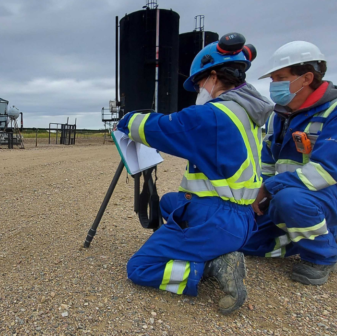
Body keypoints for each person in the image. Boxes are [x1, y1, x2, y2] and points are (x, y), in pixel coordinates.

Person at [116, 34, 274, 314]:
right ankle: (209, 247)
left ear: (213, 76)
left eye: (200, 83)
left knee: (140, 268)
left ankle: (210, 264)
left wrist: (128, 120)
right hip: (241, 215)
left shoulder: (213, 116)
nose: (200, 89)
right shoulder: (247, 113)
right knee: (168, 202)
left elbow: (158, 128)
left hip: (218, 218)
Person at [240, 41, 337, 285]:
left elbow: (325, 171)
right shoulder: (279, 116)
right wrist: (259, 192)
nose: (273, 85)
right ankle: (303, 235)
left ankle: (323, 254)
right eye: (272, 79)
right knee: (244, 239)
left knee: (291, 200)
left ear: (306, 78)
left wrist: (271, 188)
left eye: (280, 77)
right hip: (287, 191)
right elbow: (268, 162)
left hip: (334, 192)